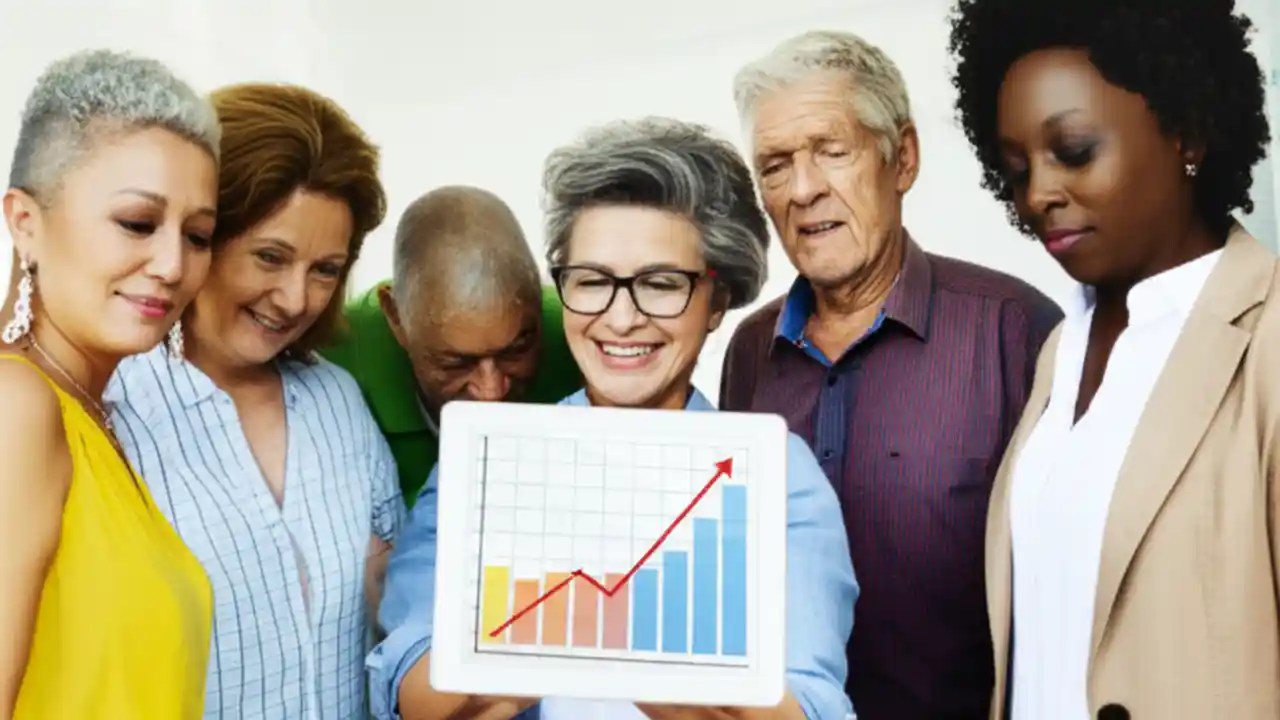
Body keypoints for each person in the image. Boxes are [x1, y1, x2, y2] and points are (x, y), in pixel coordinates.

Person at [367, 117, 858, 720]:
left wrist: (643, 658)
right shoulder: (485, 459)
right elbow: (405, 674)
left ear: (717, 302)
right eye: (593, 281)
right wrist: (534, 642)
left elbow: (811, 706)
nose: (621, 320)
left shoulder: (781, 478)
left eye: (660, 284)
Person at [721, 30, 1065, 720]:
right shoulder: (749, 350)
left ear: (901, 157)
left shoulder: (1016, 328)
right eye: (776, 166)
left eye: (831, 151)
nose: (804, 188)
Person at [948, 0, 1278, 718]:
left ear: (1186, 133)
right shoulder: (1061, 350)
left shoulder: (1268, 340)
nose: (1037, 195)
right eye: (1014, 170)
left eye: (1073, 151)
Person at [104, 82, 404, 720]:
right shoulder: (104, 407)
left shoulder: (337, 402)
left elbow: (390, 601)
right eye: (270, 257)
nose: (296, 298)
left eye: (326, 269)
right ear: (200, 237)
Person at [0, 49, 220, 718]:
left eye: (200, 234)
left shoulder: (94, 420)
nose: (172, 263)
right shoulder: (18, 410)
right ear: (25, 223)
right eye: (136, 223)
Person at [321, 185, 581, 507]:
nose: (491, 392)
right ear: (395, 316)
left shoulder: (582, 336)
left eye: (516, 350)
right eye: (455, 362)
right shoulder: (329, 359)